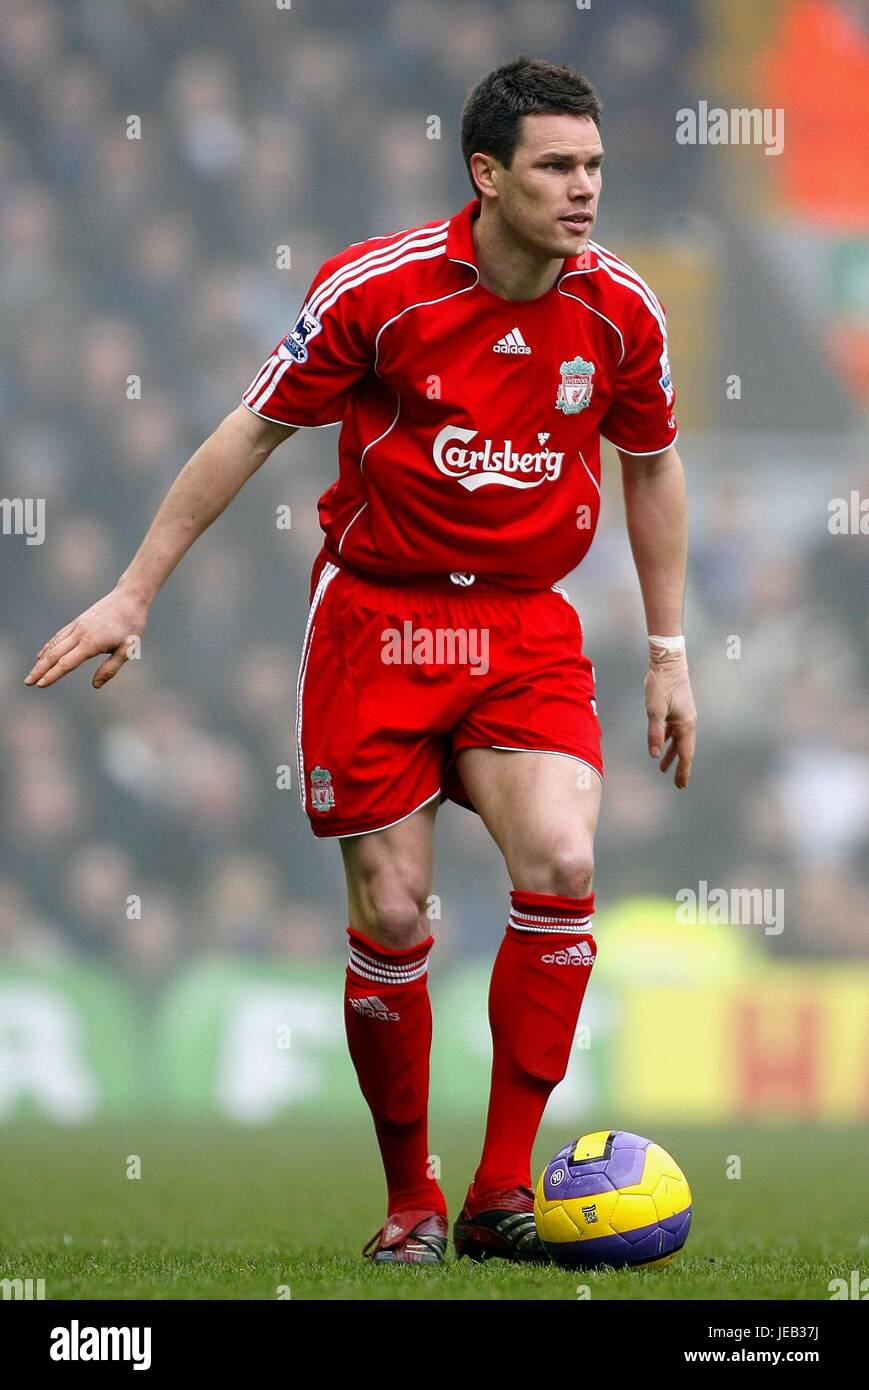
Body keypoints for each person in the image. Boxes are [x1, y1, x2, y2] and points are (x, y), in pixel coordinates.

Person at [25, 56, 697, 1266]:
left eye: (593, 165)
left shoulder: (621, 310)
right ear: (484, 175)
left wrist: (666, 649)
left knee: (560, 854)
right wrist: (134, 591)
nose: (583, 189)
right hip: (379, 618)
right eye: (555, 167)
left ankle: (499, 1194)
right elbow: (253, 429)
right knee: (393, 908)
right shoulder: (375, 291)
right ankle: (411, 1202)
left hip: (522, 621)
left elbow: (649, 463)